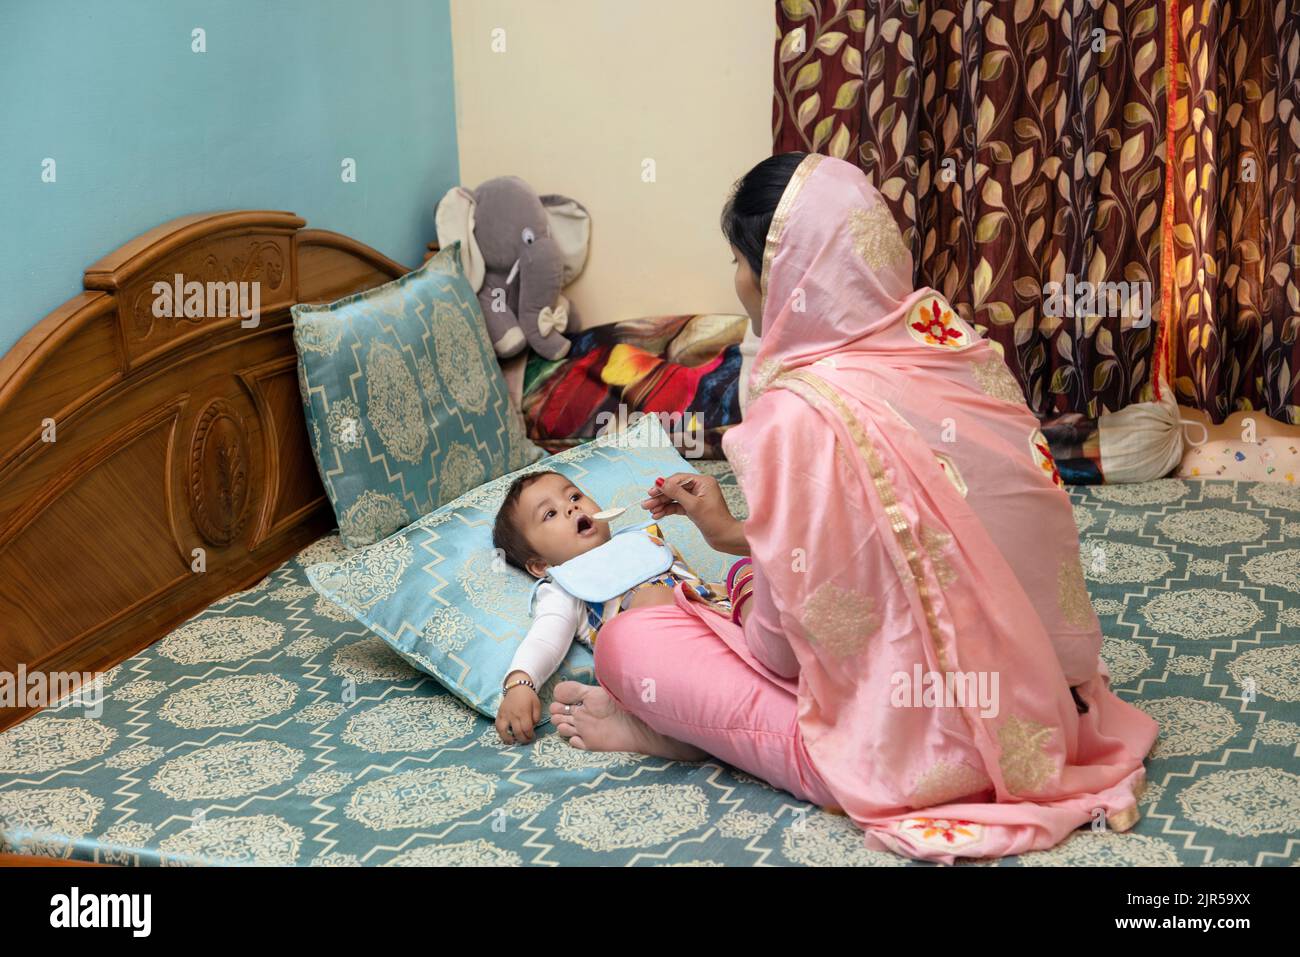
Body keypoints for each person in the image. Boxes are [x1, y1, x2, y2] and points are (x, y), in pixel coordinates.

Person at [547, 152, 1159, 863]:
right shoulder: (952, 345)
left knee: (630, 645)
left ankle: (681, 733)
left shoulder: (796, 415)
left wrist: (747, 586)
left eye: (742, 261)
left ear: (783, 276)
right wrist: (743, 538)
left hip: (927, 749)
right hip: (1058, 702)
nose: (737, 279)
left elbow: (781, 651)